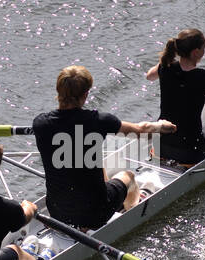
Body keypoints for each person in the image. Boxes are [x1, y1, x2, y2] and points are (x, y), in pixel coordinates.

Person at [32, 65, 176, 230]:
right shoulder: (98, 121)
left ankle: (84, 218)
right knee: (128, 176)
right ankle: (132, 209)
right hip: (95, 214)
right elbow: (140, 131)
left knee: (92, 163)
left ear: (58, 91)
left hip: (56, 212)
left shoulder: (40, 123)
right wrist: (161, 125)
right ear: (85, 94)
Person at [145, 28, 205, 166]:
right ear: (196, 52)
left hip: (160, 146)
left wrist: (164, 63)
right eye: (204, 48)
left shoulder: (165, 67)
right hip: (190, 152)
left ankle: (160, 157)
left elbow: (149, 76)